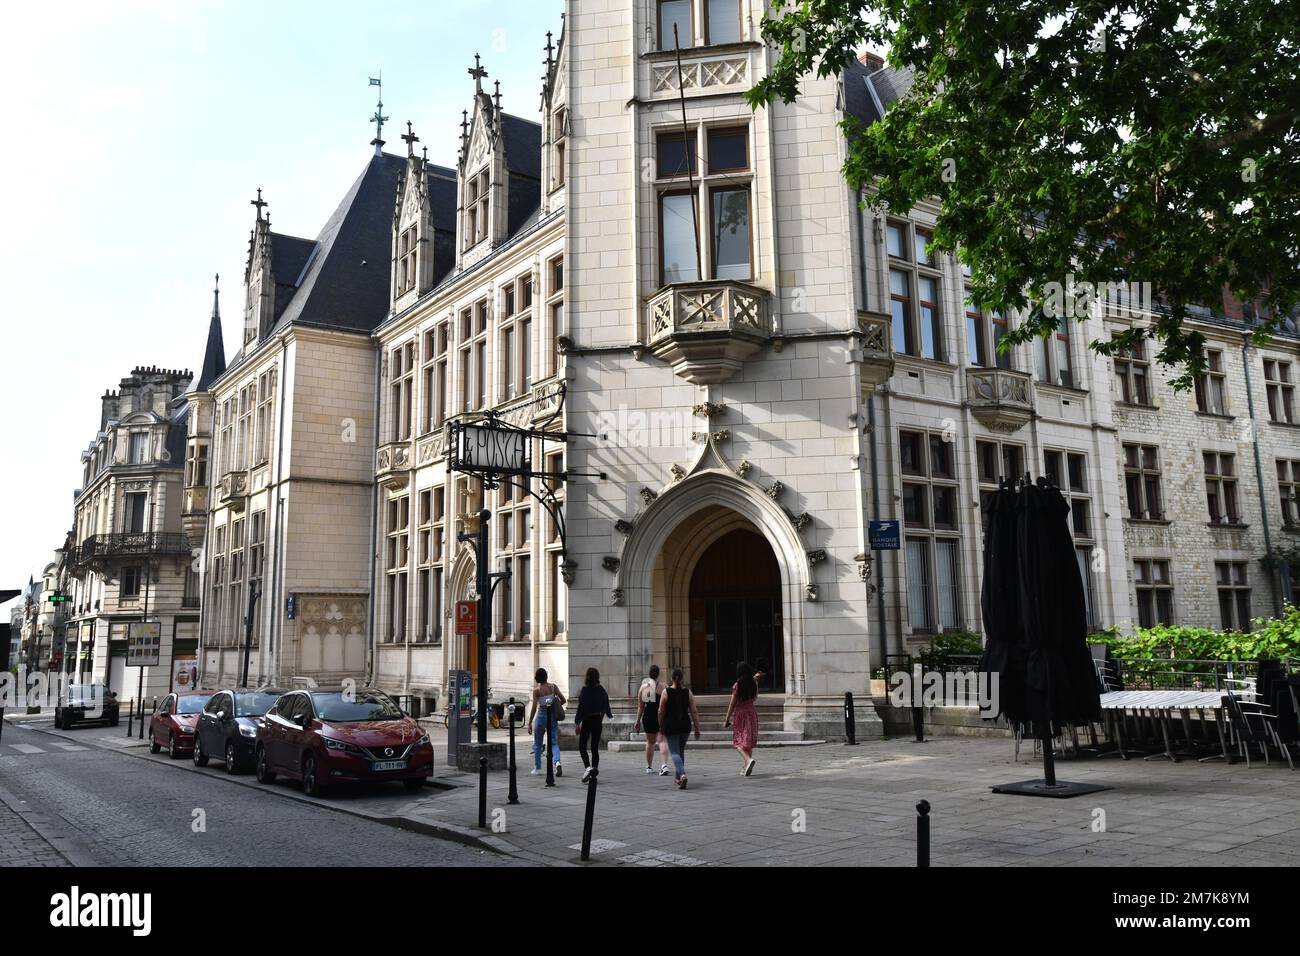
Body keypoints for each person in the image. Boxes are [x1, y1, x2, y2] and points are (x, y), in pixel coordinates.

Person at [657, 668, 701, 789]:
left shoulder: (666, 692)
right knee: (680, 752)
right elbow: (694, 711)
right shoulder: (688, 692)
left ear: (671, 678)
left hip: (671, 726)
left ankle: (682, 775)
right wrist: (697, 728)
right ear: (682, 678)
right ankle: (678, 779)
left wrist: (660, 725)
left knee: (675, 753)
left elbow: (660, 711)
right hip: (685, 726)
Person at [724, 662, 762, 776]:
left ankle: (748, 760)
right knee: (748, 741)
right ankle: (746, 767)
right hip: (751, 713)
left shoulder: (737, 685)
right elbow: (755, 697)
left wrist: (727, 719)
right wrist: (755, 680)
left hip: (740, 714)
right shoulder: (754, 683)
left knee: (738, 741)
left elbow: (732, 704)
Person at [574, 667, 613, 782]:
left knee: (582, 746)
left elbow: (581, 708)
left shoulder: (584, 690)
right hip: (597, 719)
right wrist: (600, 718)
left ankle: (588, 768)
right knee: (594, 748)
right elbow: (605, 705)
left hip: (587, 720)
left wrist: (577, 723)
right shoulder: (601, 690)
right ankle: (594, 771)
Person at [527, 667, 566, 777]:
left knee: (538, 743)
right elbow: (563, 700)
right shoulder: (553, 687)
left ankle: (537, 768)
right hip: (552, 716)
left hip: (541, 716)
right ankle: (557, 762)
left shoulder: (537, 691)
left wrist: (529, 723)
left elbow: (534, 707)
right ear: (546, 676)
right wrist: (555, 706)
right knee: (554, 742)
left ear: (537, 678)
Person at [634, 664, 671, 776]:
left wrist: (637, 721)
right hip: (661, 717)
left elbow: (640, 707)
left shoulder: (643, 688)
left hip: (648, 717)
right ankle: (664, 765)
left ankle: (649, 767)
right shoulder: (664, 686)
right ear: (658, 674)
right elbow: (668, 704)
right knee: (662, 741)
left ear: (649, 674)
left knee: (650, 742)